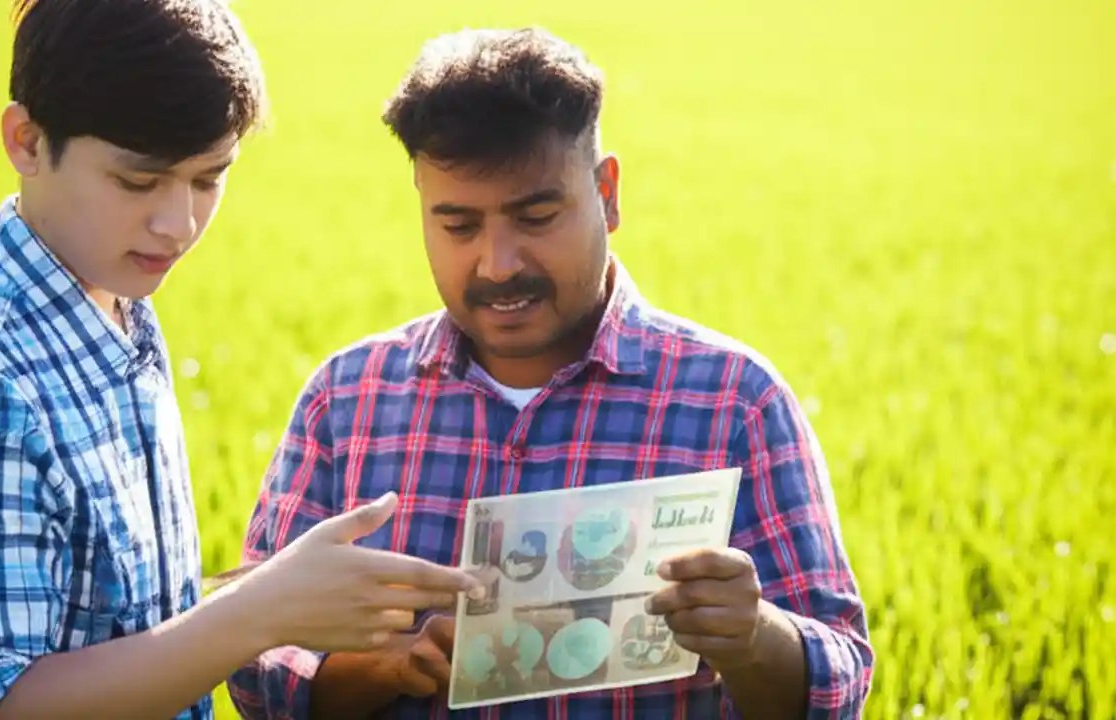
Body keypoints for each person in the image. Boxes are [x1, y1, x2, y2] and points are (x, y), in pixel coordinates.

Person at [228, 26, 873, 720]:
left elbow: (838, 687)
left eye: (536, 216)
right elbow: (255, 670)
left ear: (608, 193)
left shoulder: (733, 403)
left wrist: (752, 636)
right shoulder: (348, 401)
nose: (498, 263)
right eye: (458, 226)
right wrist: (382, 667)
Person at [0, 3, 481, 719]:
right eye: (138, 183)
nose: (177, 224)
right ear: (26, 140)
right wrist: (256, 614)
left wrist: (274, 597)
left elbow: (123, 620)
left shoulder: (113, 301)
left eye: (208, 178)